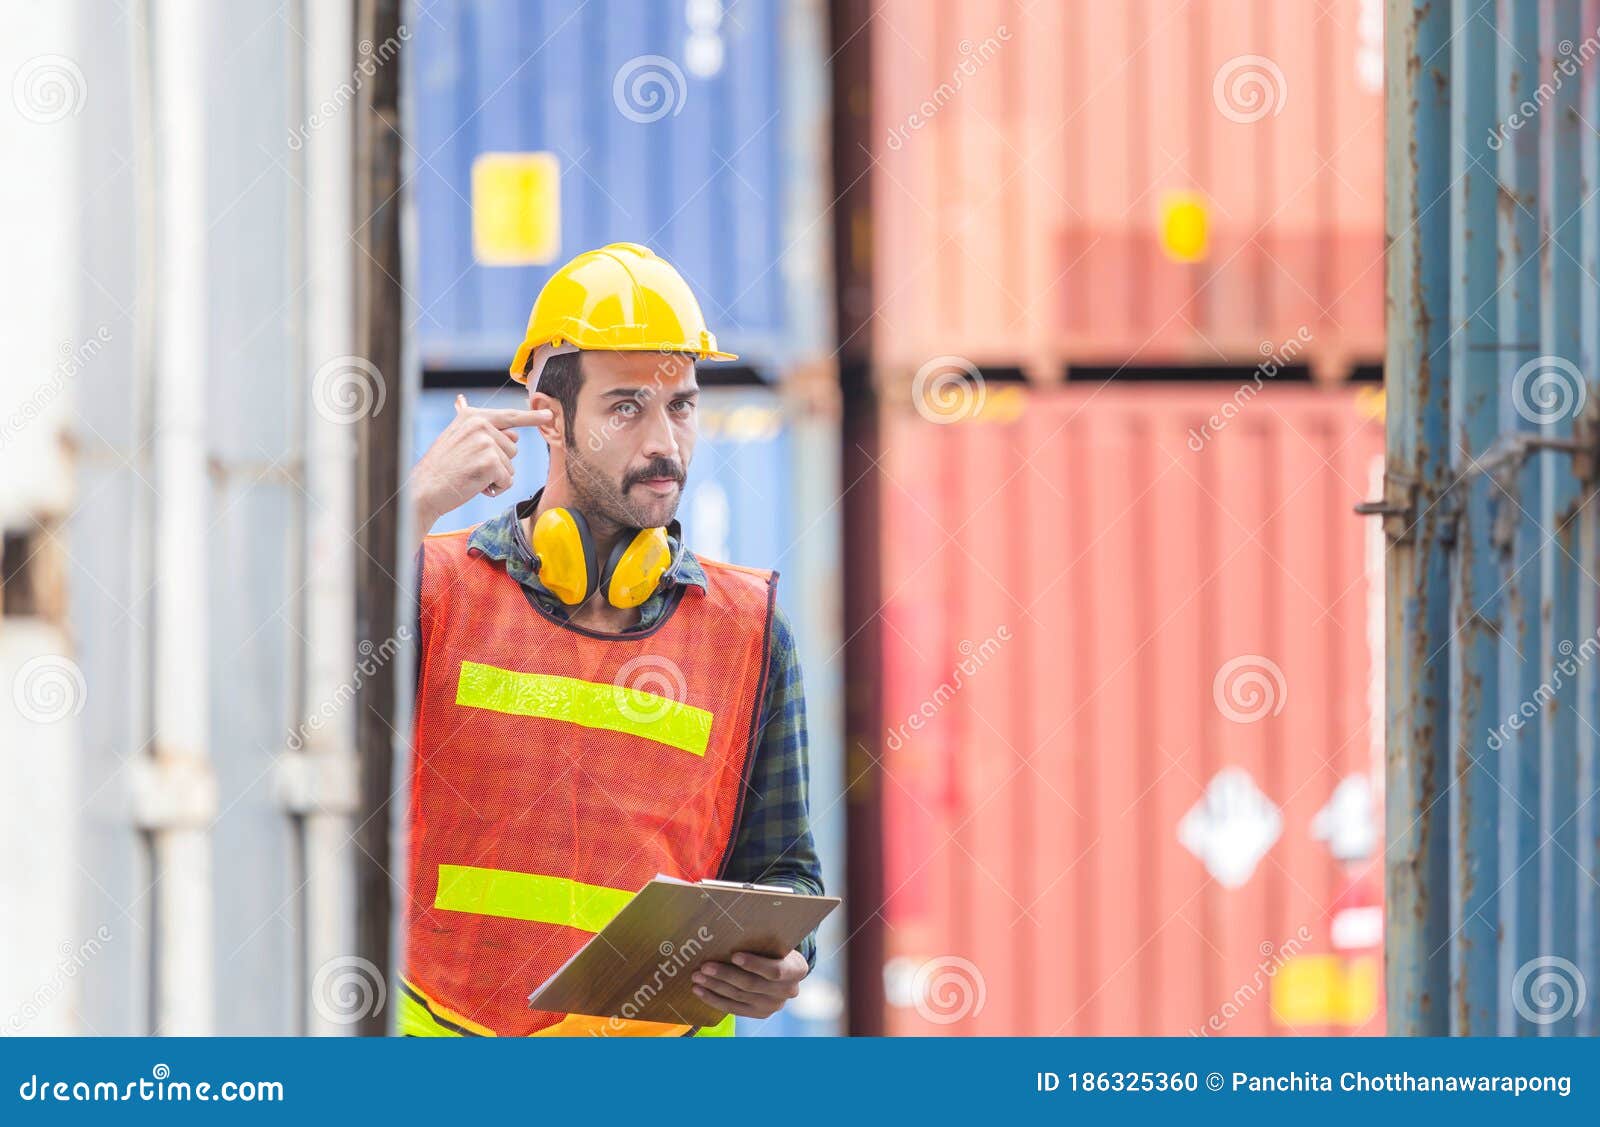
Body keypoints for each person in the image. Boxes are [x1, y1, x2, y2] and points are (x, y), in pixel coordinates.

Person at [400, 243, 822, 1037]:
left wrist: (787, 964)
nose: (664, 442)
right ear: (549, 419)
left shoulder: (749, 629)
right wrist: (407, 509)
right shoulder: (430, 590)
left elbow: (786, 873)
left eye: (682, 405)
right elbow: (282, 713)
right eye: (627, 406)